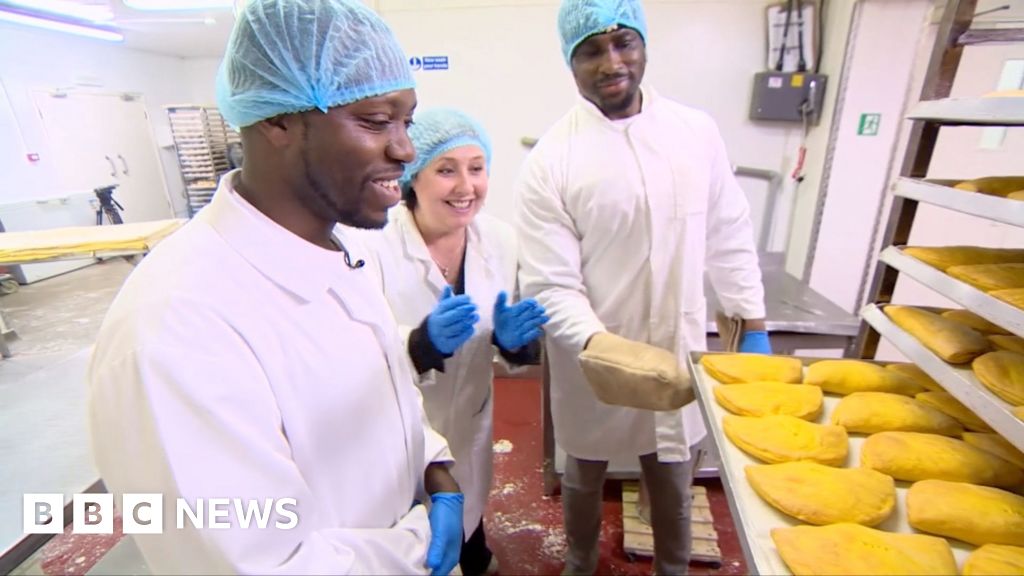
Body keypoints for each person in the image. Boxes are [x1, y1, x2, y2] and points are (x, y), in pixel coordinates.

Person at [87, 1, 464, 574]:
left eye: (406, 122)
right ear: (278, 120)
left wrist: (433, 470)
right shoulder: (177, 329)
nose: (406, 150)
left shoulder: (346, 247)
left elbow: (386, 388)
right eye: (374, 120)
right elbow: (263, 564)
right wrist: (417, 544)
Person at [514, 0, 772, 573]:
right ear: (569, 61)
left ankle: (672, 567)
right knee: (583, 469)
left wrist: (751, 323)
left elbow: (728, 231)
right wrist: (604, 349)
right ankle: (580, 560)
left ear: (644, 46)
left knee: (673, 471)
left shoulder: (694, 133)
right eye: (591, 51)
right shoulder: (552, 159)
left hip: (678, 346)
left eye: (623, 43)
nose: (612, 63)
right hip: (592, 355)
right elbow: (550, 282)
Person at [356, 108, 548, 576]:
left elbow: (517, 342)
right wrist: (421, 343)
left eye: (476, 168)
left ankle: (475, 550)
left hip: (471, 417)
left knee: (467, 501)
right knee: (404, 526)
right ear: (413, 177)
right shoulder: (371, 245)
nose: (466, 187)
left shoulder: (500, 240)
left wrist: (515, 344)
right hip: (397, 424)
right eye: (447, 170)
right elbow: (357, 344)